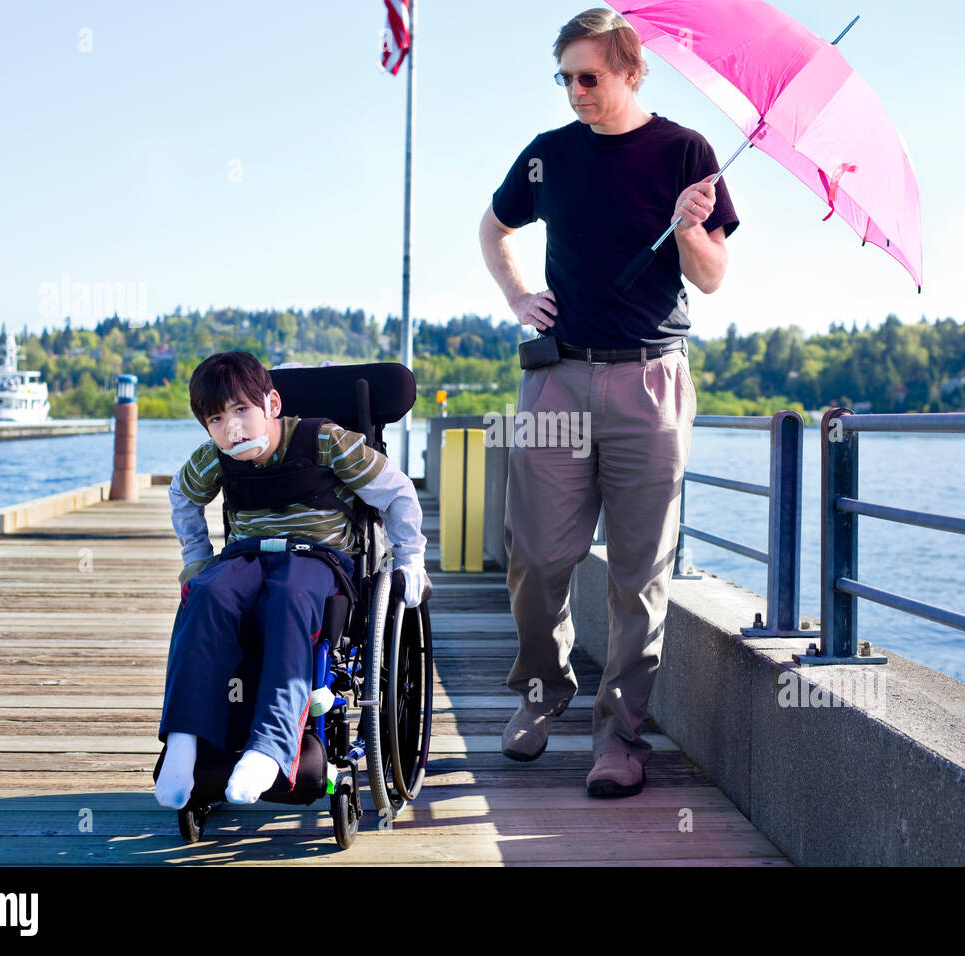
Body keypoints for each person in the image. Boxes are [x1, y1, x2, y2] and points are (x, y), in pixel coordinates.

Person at [478, 8, 738, 797]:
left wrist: (688, 227)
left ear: (630, 69)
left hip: (650, 381)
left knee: (639, 572)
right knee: (538, 556)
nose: (576, 92)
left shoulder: (686, 153)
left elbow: (713, 275)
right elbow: (493, 230)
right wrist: (520, 293)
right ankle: (540, 692)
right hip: (556, 376)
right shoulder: (548, 157)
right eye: (565, 78)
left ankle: (619, 739)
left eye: (588, 76)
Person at [154, 351, 430, 808]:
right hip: (244, 556)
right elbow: (182, 495)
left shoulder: (324, 440)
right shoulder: (215, 459)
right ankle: (184, 746)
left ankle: (270, 747)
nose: (233, 428)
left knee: (289, 597)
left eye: (242, 410)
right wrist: (196, 559)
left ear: (272, 405)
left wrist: (411, 560)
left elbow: (397, 491)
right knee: (204, 594)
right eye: (217, 419)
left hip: (318, 560)